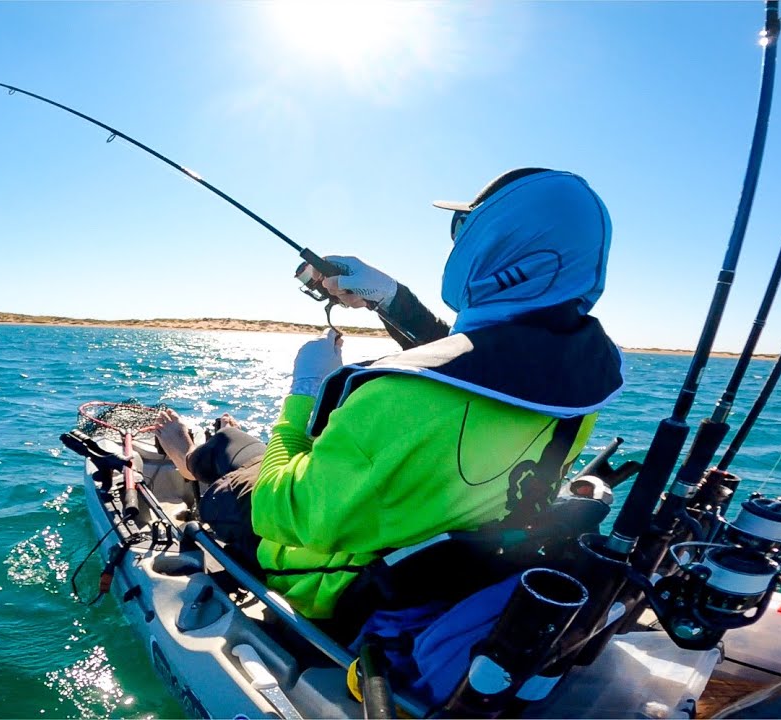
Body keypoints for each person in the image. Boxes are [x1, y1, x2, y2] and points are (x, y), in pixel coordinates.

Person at [157, 168, 625, 624]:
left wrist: (303, 392)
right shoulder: (581, 387)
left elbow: (281, 511)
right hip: (447, 569)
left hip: (337, 584)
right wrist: (390, 297)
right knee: (239, 448)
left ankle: (189, 459)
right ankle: (216, 447)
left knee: (227, 474)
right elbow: (482, 365)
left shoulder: (398, 396)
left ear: (490, 244)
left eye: (463, 228)